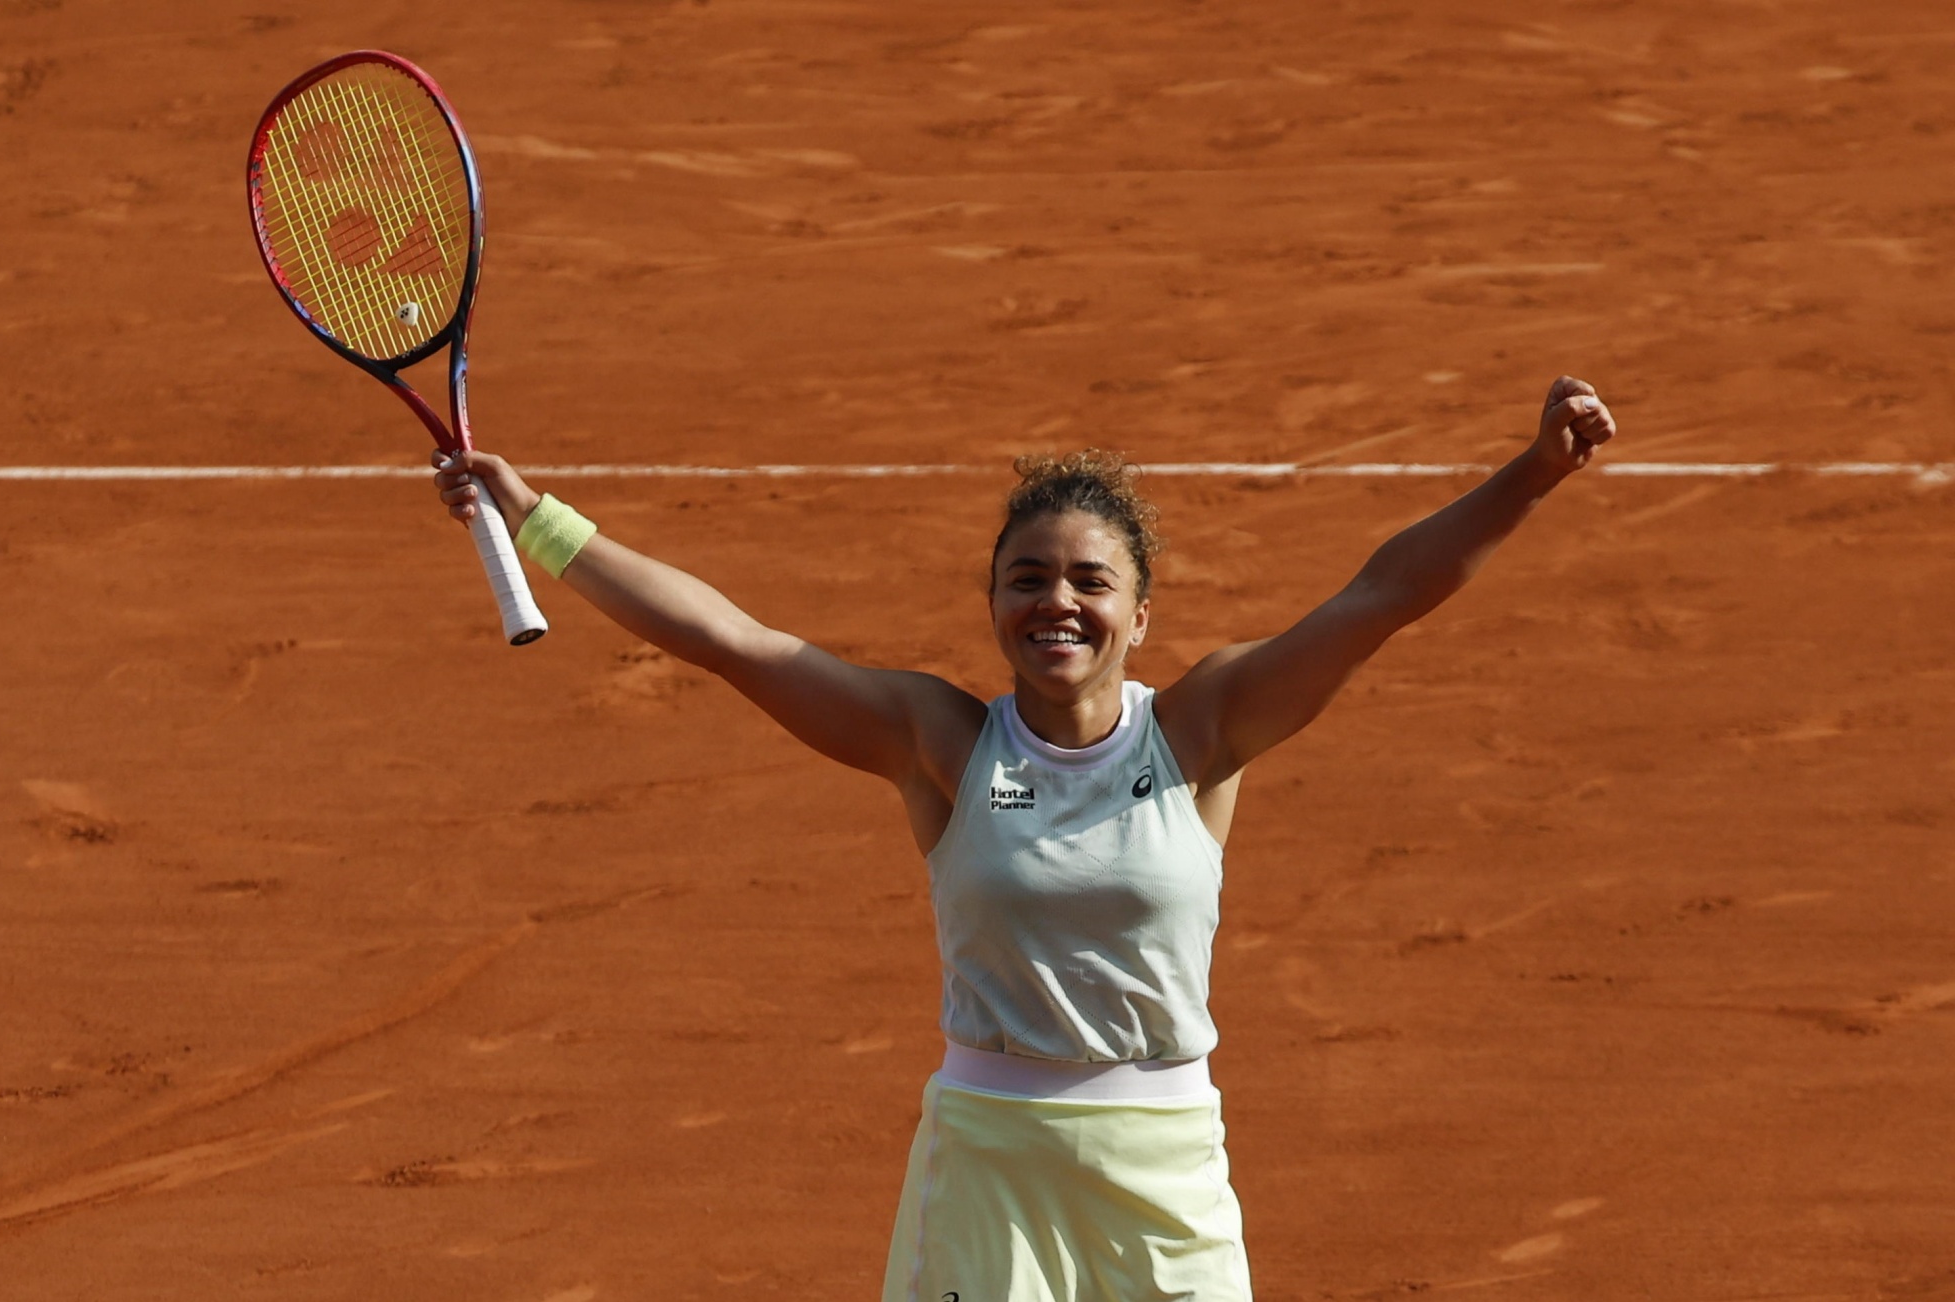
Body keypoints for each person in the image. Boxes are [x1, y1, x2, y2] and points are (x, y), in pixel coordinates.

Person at [432, 376, 1619, 1302]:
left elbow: (1382, 596)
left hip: (1165, 1163)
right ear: (993, 604)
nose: (1058, 600)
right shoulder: (937, 740)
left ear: (1139, 611)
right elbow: (732, 642)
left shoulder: (1204, 727)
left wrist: (1529, 476)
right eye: (1027, 578)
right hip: (990, 1161)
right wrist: (537, 520)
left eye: (1090, 581)